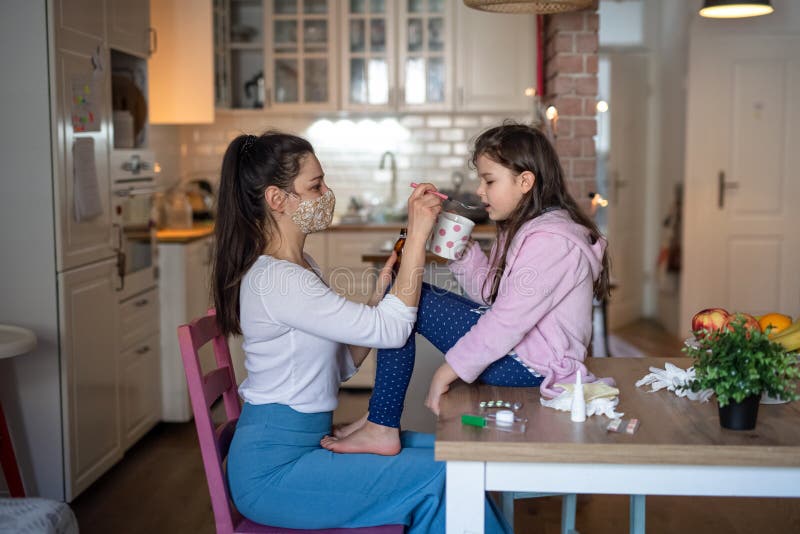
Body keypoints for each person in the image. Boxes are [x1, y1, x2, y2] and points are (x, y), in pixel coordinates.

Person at [213, 131, 511, 533]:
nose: (327, 193)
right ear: (277, 199)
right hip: (275, 474)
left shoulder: (301, 268)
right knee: (444, 476)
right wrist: (418, 237)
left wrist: (374, 303)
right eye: (315, 186)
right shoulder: (279, 280)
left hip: (301, 449)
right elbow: (391, 331)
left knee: (457, 458)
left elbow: (337, 366)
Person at [326, 122, 612, 456]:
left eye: (489, 180)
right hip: (525, 354)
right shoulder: (528, 228)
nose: (479, 190)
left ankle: (381, 425)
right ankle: (380, 418)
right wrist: (458, 245)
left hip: (533, 366)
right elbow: (491, 293)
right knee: (402, 293)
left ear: (525, 182)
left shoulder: (550, 241)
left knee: (405, 298)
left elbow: (506, 319)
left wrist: (448, 372)